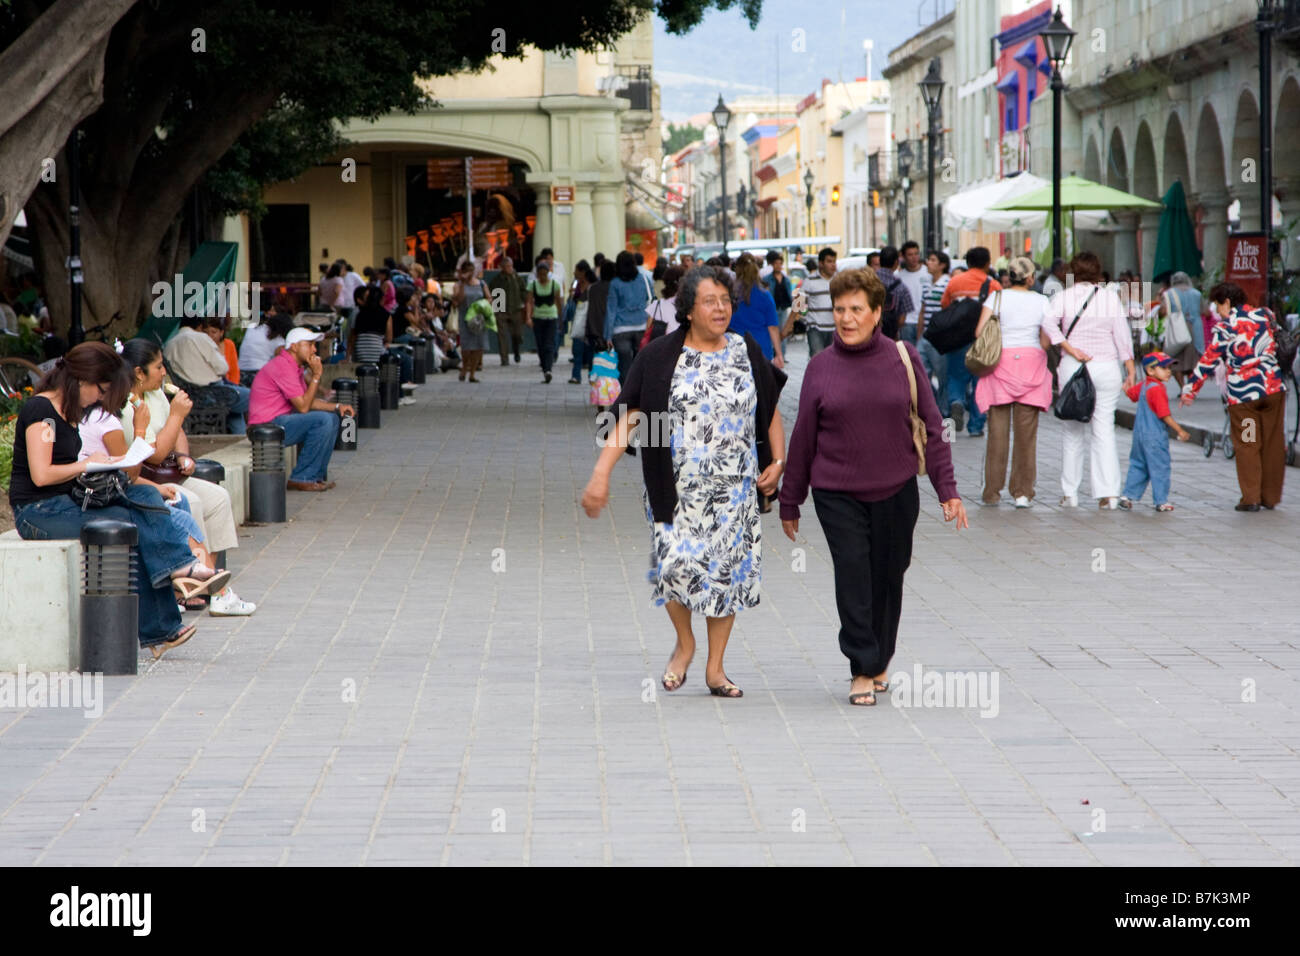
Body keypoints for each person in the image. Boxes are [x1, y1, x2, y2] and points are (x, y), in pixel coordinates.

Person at [580, 265, 788, 699]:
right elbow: (629, 415)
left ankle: (716, 668)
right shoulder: (658, 356)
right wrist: (601, 473)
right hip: (674, 488)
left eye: (726, 301)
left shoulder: (745, 349)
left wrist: (779, 460)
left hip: (734, 489)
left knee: (726, 575)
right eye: (709, 301)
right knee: (674, 569)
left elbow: (768, 408)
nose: (720, 308)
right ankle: (685, 642)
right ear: (687, 310)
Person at [779, 268, 967, 707]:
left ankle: (881, 656)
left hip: (896, 488)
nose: (846, 318)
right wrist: (791, 499)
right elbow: (804, 434)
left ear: (877, 312)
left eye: (856, 309)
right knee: (854, 575)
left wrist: (948, 490)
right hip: (836, 492)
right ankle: (862, 667)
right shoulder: (821, 367)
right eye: (840, 309)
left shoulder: (903, 358)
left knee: (889, 575)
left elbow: (933, 425)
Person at [9, 342, 229, 658]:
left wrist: (104, 466)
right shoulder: (41, 410)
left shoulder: (72, 412)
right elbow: (41, 475)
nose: (100, 397)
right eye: (100, 389)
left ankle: (180, 567)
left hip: (72, 501)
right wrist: (86, 464)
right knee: (127, 528)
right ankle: (161, 626)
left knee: (143, 493)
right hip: (38, 512)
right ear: (80, 380)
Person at [1180, 282, 1286, 511]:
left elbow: (1209, 359)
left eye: (1218, 307)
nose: (1217, 312)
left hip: (1245, 399)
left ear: (1226, 302)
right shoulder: (1265, 315)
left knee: (1248, 442)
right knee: (1273, 442)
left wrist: (1190, 389)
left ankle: (1251, 498)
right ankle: (1270, 497)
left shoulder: (1226, 328)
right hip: (1273, 390)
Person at [1043, 250, 1137, 509]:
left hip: (1074, 368)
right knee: (1103, 429)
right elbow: (1122, 335)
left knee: (1072, 431)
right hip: (1106, 367)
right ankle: (1108, 494)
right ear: (1097, 272)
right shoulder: (1110, 298)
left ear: (1072, 271)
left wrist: (1069, 348)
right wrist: (1130, 368)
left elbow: (1048, 324)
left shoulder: (1062, 297)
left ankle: (1070, 493)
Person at [972, 256, 1053, 507]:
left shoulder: (996, 297)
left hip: (1000, 364)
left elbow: (979, 332)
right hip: (1031, 364)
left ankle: (992, 491)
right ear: (1030, 278)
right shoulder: (1042, 301)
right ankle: (1022, 492)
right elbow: (1046, 339)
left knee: (997, 432)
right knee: (1026, 435)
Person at [248, 328, 354, 491]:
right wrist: (317, 375)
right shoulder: (283, 366)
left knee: (332, 418)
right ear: (294, 346)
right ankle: (302, 477)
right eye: (310, 344)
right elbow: (304, 407)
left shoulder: (293, 366)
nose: (314, 349)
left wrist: (338, 406)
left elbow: (307, 401)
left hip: (278, 422)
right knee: (323, 421)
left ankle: (315, 476)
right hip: (266, 426)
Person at [940, 247, 1002, 437]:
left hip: (957, 339)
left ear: (967, 263)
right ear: (987, 263)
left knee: (956, 377)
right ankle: (975, 426)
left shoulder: (955, 282)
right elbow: (999, 312)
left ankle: (956, 401)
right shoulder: (993, 285)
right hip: (982, 341)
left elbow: (944, 305)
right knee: (980, 382)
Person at [1119, 352, 1191, 512]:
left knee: (1138, 464)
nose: (1168, 371)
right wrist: (1180, 430)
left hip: (1139, 435)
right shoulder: (1157, 389)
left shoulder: (1145, 385)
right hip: (1154, 436)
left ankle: (1127, 496)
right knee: (1160, 467)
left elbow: (1132, 395)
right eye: (1164, 367)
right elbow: (1164, 414)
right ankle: (1161, 501)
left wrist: (1126, 386)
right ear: (1150, 370)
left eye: (1169, 367)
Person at [163, 316, 251, 434]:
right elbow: (223, 368)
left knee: (234, 407)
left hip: (189, 395)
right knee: (252, 395)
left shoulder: (169, 344)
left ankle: (240, 436)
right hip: (211, 393)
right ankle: (253, 436)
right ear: (199, 326)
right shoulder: (199, 338)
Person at [604, 250, 652, 385]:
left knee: (624, 370)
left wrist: (607, 335)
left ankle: (623, 405)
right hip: (641, 327)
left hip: (620, 330)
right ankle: (638, 403)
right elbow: (651, 299)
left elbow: (611, 309)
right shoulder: (643, 279)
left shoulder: (615, 283)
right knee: (640, 369)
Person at [729, 253, 783, 368]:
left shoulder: (730, 295)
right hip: (761, 350)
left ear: (737, 269)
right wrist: (779, 354)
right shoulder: (765, 296)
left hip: (734, 349)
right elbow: (772, 327)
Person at [1158, 271, 1205, 388]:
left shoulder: (1169, 294)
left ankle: (1183, 387)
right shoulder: (1197, 294)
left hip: (1177, 331)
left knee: (1175, 360)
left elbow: (1163, 311)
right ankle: (1191, 386)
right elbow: (1205, 312)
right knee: (1193, 361)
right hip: (1195, 331)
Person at [918, 250, 949, 405]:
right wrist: (919, 335)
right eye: (928, 259)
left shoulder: (947, 284)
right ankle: (931, 404)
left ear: (942, 265)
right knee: (920, 375)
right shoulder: (925, 284)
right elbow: (922, 311)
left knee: (943, 377)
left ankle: (944, 412)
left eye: (932, 260)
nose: (928, 263)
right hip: (925, 336)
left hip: (940, 338)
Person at [525, 256, 563, 383]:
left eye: (544, 274)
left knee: (549, 344)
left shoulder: (554, 284)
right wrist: (528, 317)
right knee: (540, 344)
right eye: (540, 274)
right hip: (538, 317)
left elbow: (558, 301)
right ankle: (544, 365)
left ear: (548, 273)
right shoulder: (533, 285)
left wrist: (560, 317)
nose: (542, 277)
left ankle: (548, 369)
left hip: (551, 316)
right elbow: (529, 302)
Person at [452, 260, 491, 383]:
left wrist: (484, 305)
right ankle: (465, 368)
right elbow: (459, 300)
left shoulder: (481, 283)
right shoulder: (458, 285)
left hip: (479, 317)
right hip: (465, 317)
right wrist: (463, 284)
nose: (469, 274)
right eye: (467, 271)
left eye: (471, 271)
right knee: (466, 345)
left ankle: (472, 373)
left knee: (478, 346)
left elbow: (489, 297)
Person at [237, 311, 293, 388]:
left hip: (240, 373)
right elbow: (282, 363)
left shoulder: (252, 327)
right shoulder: (279, 341)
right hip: (259, 375)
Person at [800, 247, 838, 357]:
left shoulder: (839, 280)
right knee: (817, 358)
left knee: (833, 360)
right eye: (829, 262)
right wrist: (804, 318)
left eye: (834, 261)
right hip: (815, 328)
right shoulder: (809, 280)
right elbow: (798, 304)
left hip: (835, 328)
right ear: (821, 264)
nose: (833, 265)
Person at [489, 255, 527, 365]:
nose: (509, 268)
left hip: (516, 309)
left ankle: (516, 351)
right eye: (507, 266)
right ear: (502, 267)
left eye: (510, 266)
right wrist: (496, 310)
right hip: (502, 310)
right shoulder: (497, 280)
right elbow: (493, 294)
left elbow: (523, 291)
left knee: (517, 334)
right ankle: (504, 359)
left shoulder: (517, 278)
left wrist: (525, 304)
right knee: (502, 336)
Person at [873, 246, 912, 341]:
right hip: (890, 337)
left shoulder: (868, 281)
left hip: (870, 334)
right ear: (896, 263)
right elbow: (902, 319)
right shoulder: (901, 287)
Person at [567, 263, 595, 384]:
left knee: (590, 351)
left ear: (583, 272)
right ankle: (576, 375)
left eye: (576, 270)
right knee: (577, 350)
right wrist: (571, 295)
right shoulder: (576, 284)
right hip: (578, 321)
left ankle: (591, 375)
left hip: (590, 323)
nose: (574, 273)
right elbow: (572, 300)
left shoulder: (593, 286)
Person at [895, 241, 926, 345]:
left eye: (916, 254)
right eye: (910, 254)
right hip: (907, 322)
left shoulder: (928, 273)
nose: (914, 257)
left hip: (925, 322)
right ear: (903, 257)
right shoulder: (899, 277)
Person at [766, 253, 795, 359]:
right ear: (773, 265)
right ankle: (774, 353)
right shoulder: (767, 279)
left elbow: (790, 292)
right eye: (776, 263)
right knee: (772, 331)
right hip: (772, 308)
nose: (778, 266)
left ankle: (781, 355)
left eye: (780, 263)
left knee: (783, 332)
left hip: (783, 308)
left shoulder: (786, 279)